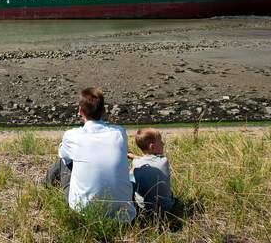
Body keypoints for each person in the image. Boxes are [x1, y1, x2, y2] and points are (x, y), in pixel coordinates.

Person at [44, 87, 136, 222]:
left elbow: (63, 156)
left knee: (63, 161)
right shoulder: (119, 132)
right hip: (124, 216)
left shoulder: (72, 135)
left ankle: (45, 186)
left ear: (80, 111)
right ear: (104, 111)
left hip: (84, 214)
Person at [130, 128, 174, 216]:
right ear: (152, 147)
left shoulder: (136, 163)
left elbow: (143, 160)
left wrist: (132, 157)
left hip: (144, 209)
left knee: (132, 175)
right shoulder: (164, 161)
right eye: (160, 141)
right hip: (166, 207)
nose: (163, 143)